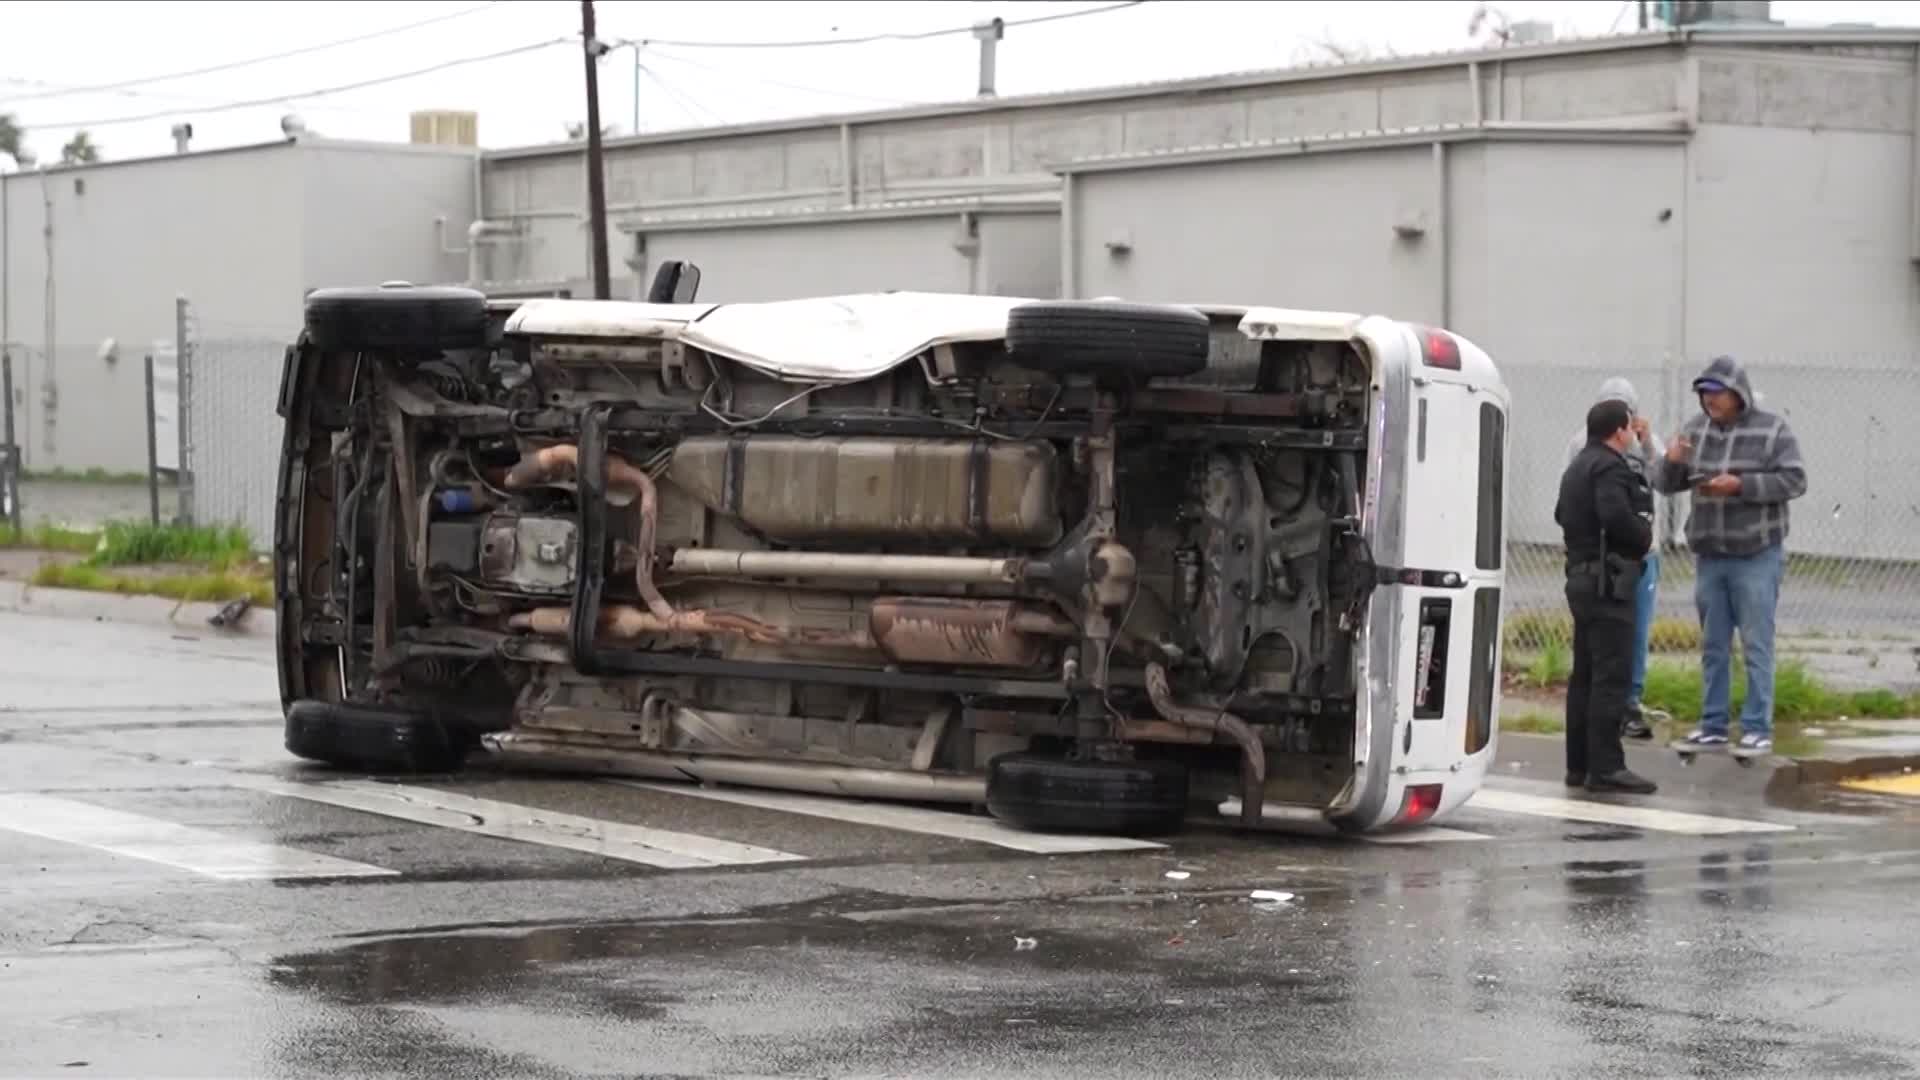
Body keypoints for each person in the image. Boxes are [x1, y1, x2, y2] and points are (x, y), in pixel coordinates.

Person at [1653, 356, 1807, 754]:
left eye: (1716, 393)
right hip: (1710, 555)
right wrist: (1671, 461)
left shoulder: (1773, 430)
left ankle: (1757, 726)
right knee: (1714, 645)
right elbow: (1666, 485)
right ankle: (1713, 724)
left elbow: (1794, 479)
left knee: (1756, 643)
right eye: (1704, 394)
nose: (1708, 401)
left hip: (1756, 554)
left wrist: (1739, 486)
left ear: (1737, 393)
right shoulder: (1693, 430)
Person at [1555, 398, 1659, 795]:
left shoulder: (1577, 467)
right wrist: (1642, 534)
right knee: (1610, 676)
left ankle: (1577, 765)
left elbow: (1561, 514)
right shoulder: (1611, 468)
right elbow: (1616, 516)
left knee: (1584, 675)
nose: (1634, 435)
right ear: (1619, 430)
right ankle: (1606, 767)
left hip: (1581, 578)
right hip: (1608, 582)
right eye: (1631, 428)